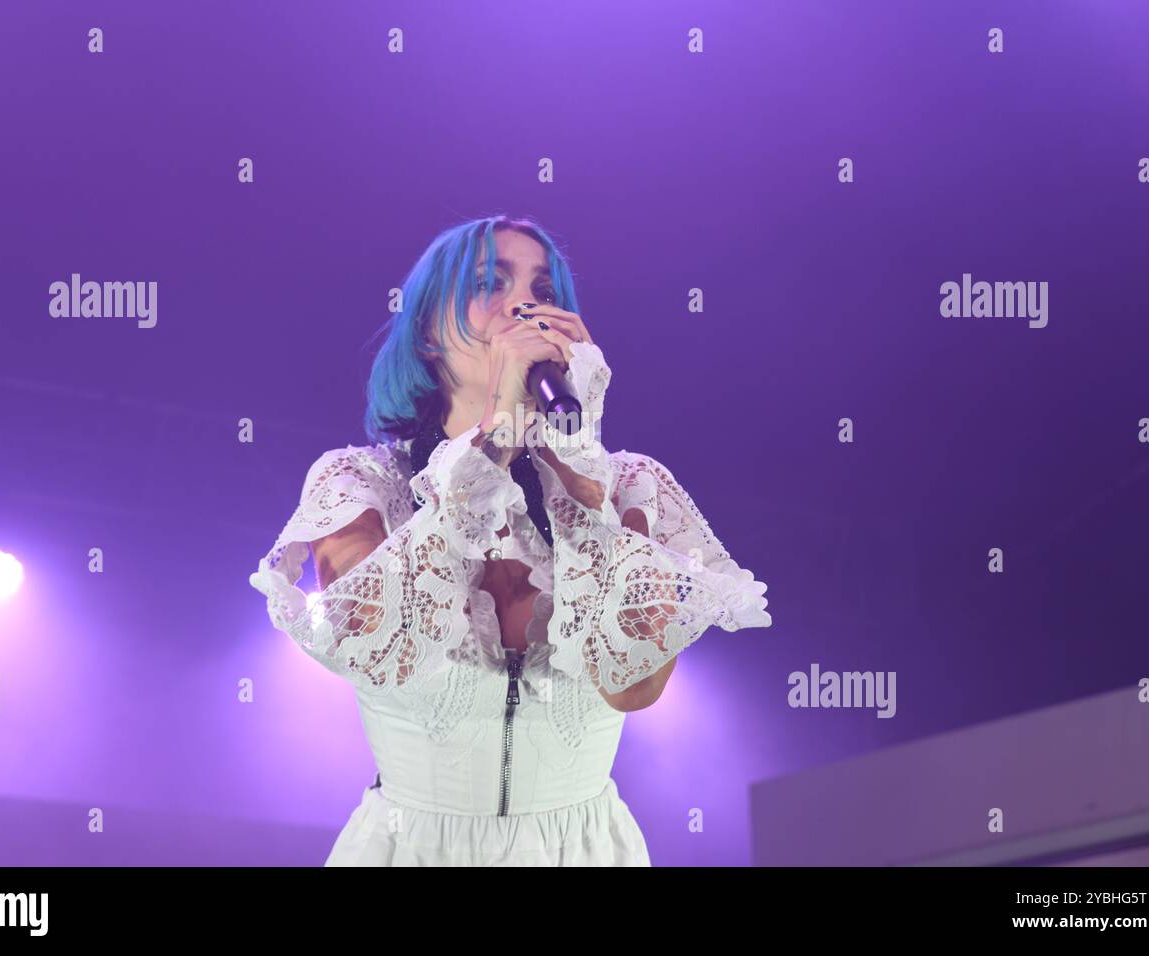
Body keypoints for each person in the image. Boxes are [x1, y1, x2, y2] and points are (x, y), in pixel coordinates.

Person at [249, 215, 772, 865]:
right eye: (489, 283)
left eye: (542, 291)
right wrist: (494, 438)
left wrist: (580, 471)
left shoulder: (632, 485)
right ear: (428, 333)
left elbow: (632, 684)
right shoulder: (362, 483)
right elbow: (373, 647)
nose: (523, 307)